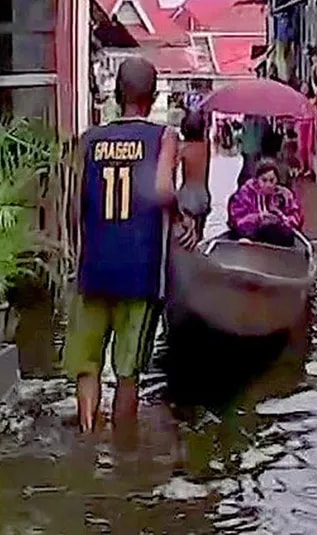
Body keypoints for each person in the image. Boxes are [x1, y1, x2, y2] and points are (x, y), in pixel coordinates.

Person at [62, 55, 183, 434]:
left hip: (95, 267)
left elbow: (73, 206)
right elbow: (163, 190)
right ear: (153, 96)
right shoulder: (164, 137)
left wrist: (80, 253)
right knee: (128, 372)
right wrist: (181, 214)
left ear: (115, 94)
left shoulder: (90, 139)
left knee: (88, 364)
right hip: (140, 270)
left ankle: (87, 436)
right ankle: (122, 452)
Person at [227, 159, 304, 247]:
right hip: (252, 233)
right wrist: (259, 218)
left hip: (276, 236)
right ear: (257, 180)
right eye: (264, 180)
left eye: (271, 181)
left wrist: (280, 219)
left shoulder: (285, 195)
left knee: (277, 232)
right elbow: (238, 220)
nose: (268, 185)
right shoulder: (245, 194)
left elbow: (295, 218)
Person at [177, 107, 211, 241]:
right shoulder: (207, 145)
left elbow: (173, 167)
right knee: (200, 235)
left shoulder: (183, 148)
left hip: (188, 196)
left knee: (187, 237)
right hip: (204, 195)